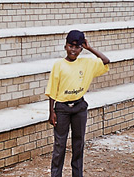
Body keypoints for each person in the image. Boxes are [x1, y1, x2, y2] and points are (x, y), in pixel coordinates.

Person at [46, 30, 110, 177]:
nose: (73, 50)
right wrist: (52, 112)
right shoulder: (59, 65)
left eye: (77, 47)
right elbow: (52, 90)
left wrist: (90, 48)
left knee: (78, 144)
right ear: (65, 46)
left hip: (79, 108)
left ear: (81, 48)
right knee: (59, 146)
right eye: (70, 46)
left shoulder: (87, 63)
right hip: (62, 109)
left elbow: (106, 61)